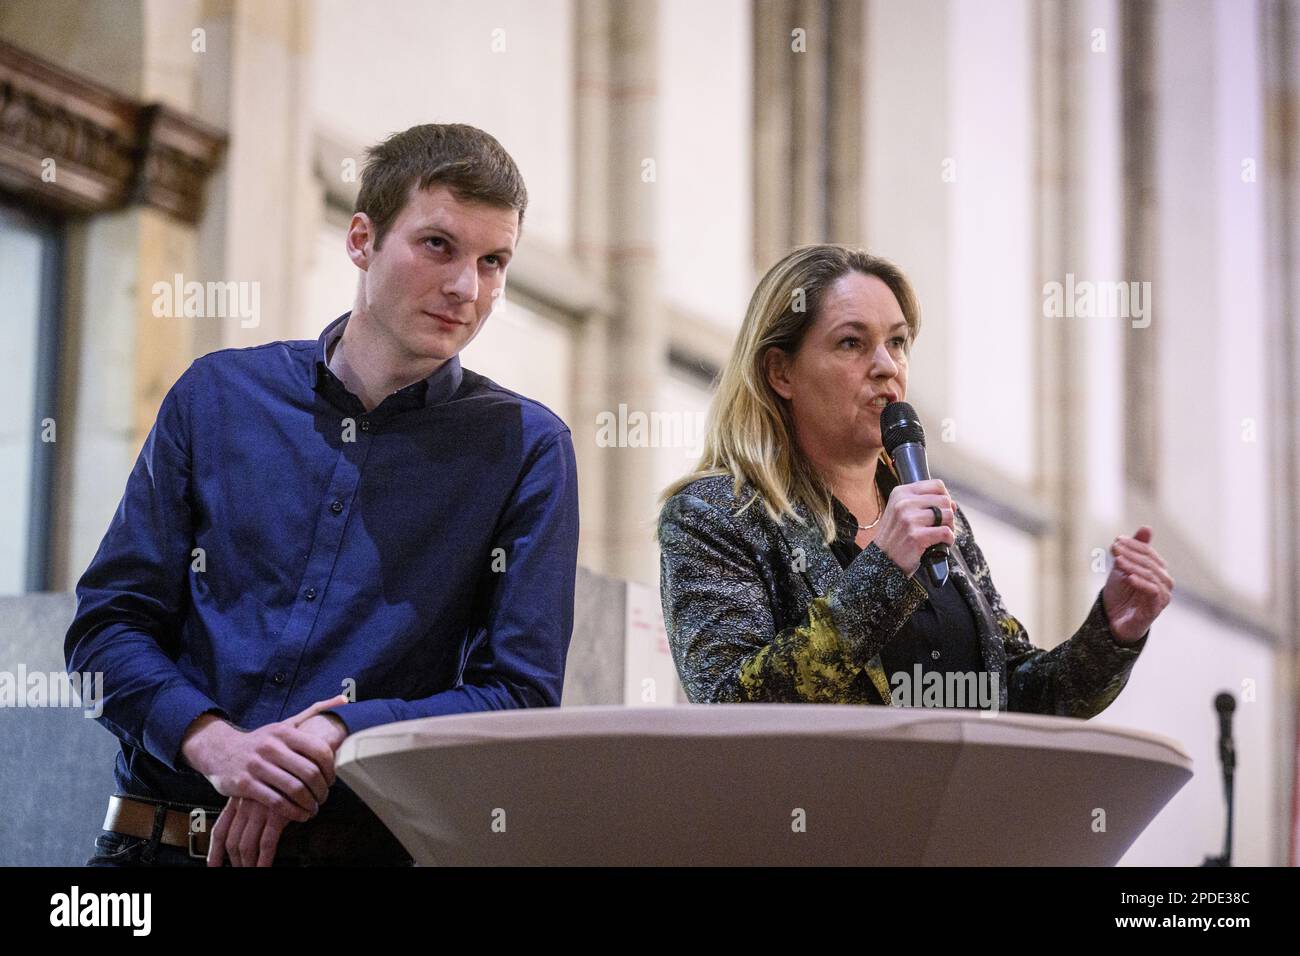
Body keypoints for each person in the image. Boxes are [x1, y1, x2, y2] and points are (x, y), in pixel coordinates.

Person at [66, 123, 580, 867]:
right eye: (438, 245)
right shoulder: (217, 396)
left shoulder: (527, 448)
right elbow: (105, 632)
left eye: (493, 261)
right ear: (362, 240)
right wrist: (219, 747)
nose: (467, 287)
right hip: (151, 850)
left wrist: (340, 735)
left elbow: (519, 694)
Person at [657, 244, 1172, 714]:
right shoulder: (717, 516)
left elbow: (1014, 695)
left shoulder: (932, 514)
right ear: (781, 372)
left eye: (897, 342)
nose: (886, 365)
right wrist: (883, 570)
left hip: (954, 812)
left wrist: (1112, 632)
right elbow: (732, 703)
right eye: (852, 343)